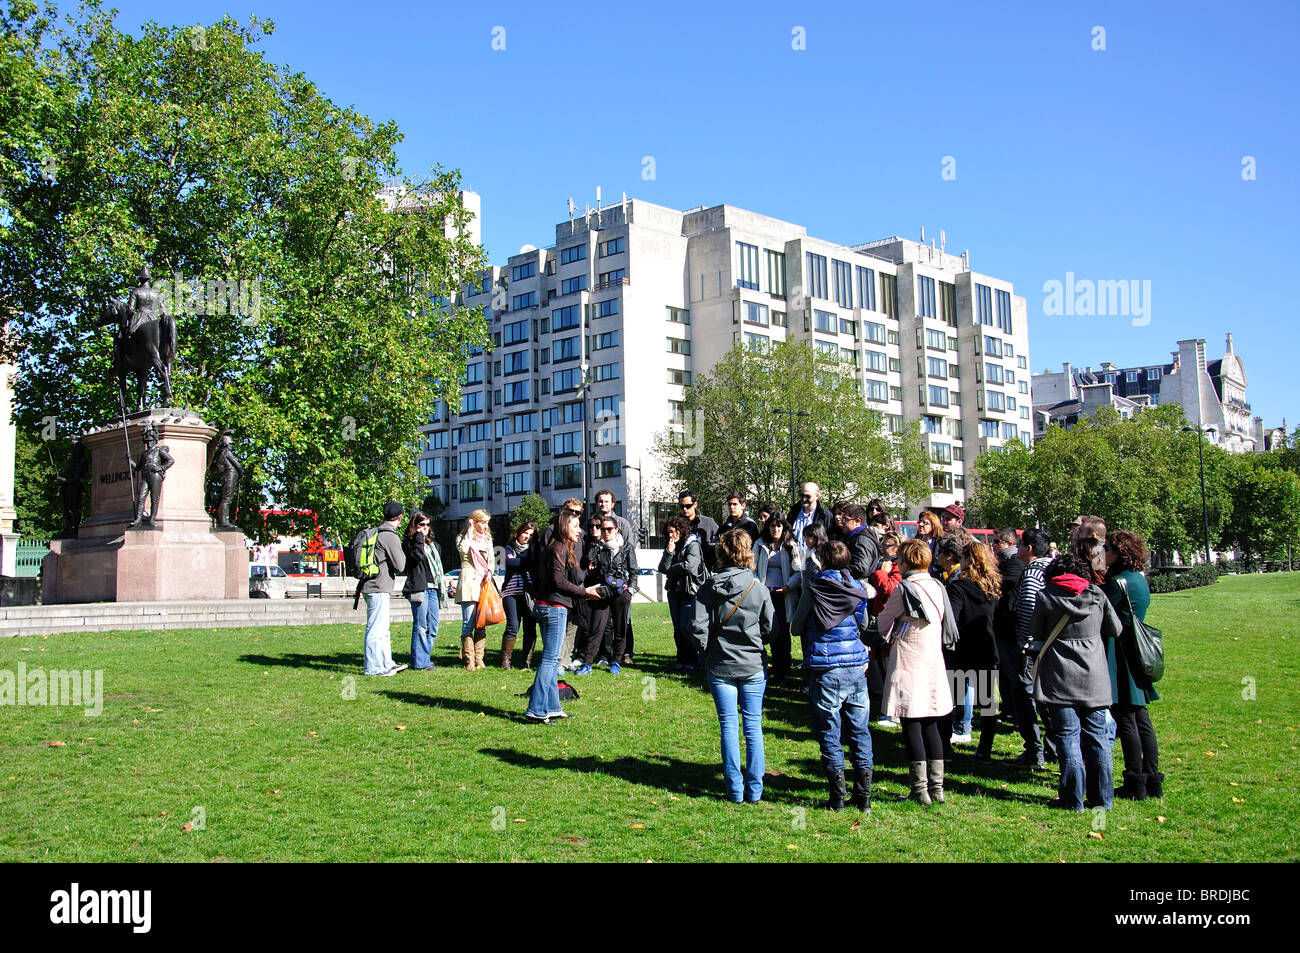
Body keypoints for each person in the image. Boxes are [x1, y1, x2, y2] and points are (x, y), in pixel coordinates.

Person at [1029, 553, 1121, 811]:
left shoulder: (1046, 595)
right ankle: (1103, 799)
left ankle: (1072, 799)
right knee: (1098, 738)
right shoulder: (1097, 595)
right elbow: (1116, 629)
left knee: (1067, 738)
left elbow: (1035, 632)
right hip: (1094, 676)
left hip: (1059, 676)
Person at [691, 529, 774, 803]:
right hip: (752, 664)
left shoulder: (709, 588)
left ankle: (735, 789)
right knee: (753, 726)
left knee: (728, 726)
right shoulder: (758, 588)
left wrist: (707, 649)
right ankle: (754, 789)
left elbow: (696, 625)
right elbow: (769, 627)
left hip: (720, 664)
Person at [877, 539, 955, 805]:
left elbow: (884, 622)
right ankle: (937, 787)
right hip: (933, 657)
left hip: (909, 659)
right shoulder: (938, 586)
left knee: (911, 721)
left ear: (907, 560)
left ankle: (919, 789)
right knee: (932, 722)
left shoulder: (905, 589)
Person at [803, 540, 873, 812]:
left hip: (826, 665)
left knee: (829, 732)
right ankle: (864, 798)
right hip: (855, 665)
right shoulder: (857, 588)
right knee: (859, 730)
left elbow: (797, 624)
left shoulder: (815, 588)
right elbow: (864, 623)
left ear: (822, 560)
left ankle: (838, 797)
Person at [525, 511, 603, 724]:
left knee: (552, 659)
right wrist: (584, 592)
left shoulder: (563, 549)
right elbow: (559, 582)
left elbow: (576, 577)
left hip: (550, 606)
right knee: (550, 660)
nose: (580, 530)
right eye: (576, 526)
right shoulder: (557, 549)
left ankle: (552, 707)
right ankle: (535, 710)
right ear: (564, 527)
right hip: (552, 607)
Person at [1103, 530, 1162, 800]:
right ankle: (1151, 778)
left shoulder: (1117, 583)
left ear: (1119, 552)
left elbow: (1104, 615)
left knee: (1126, 717)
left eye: (1108, 549)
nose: (1104, 553)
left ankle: (1135, 781)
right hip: (1137, 651)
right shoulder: (1139, 579)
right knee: (1141, 718)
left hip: (1121, 652)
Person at [940, 538, 1001, 759]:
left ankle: (945, 747)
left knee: (953, 699)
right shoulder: (993, 584)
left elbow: (952, 619)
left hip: (962, 648)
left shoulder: (959, 586)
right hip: (986, 645)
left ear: (967, 559)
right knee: (987, 704)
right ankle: (985, 749)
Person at [1008, 527, 1054, 768]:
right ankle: (1053, 746)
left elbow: (1028, 605)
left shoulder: (1033, 572)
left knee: (1026, 696)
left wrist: (1024, 640)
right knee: (1047, 698)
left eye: (1020, 545)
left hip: (1032, 646)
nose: (1017, 549)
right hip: (1051, 645)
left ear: (1030, 549)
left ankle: (1034, 751)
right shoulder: (1053, 567)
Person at [574, 516, 638, 675]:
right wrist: (598, 545)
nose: (606, 532)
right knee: (596, 627)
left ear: (616, 530)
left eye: (610, 529)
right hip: (602, 592)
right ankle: (587, 663)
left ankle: (616, 661)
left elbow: (633, 571)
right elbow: (587, 559)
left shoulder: (626, 547)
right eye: (603, 529)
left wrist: (630, 590)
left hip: (621, 593)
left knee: (620, 628)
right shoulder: (598, 546)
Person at [361, 501, 408, 676]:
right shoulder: (389, 536)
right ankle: (373, 667)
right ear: (400, 517)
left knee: (382, 627)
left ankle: (386, 663)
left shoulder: (376, 532)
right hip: (378, 585)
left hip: (371, 584)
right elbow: (400, 564)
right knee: (376, 627)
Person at [659, 515, 707, 670]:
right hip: (674, 591)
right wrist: (669, 552)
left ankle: (693, 660)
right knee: (677, 628)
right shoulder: (671, 547)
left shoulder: (692, 544)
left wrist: (671, 569)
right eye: (669, 533)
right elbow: (662, 567)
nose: (671, 535)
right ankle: (681, 658)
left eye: (673, 532)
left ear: (681, 531)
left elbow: (690, 566)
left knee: (686, 627)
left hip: (689, 591)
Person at [754, 515, 798, 684]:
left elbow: (798, 570)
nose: (776, 529)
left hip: (784, 594)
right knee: (770, 630)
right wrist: (759, 586)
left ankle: (784, 669)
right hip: (766, 594)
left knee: (783, 633)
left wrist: (789, 585)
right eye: (773, 526)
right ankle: (773, 667)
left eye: (779, 526)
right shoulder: (760, 544)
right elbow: (753, 567)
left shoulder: (790, 545)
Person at [990, 527, 1025, 742]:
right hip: (1000, 625)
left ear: (1010, 543)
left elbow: (999, 585)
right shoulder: (1003, 564)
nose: (994, 545)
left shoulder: (1014, 564)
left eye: (997, 542)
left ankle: (1016, 710)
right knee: (1001, 671)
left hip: (1010, 625)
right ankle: (1007, 707)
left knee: (1011, 671)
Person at [867, 532, 903, 727]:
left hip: (891, 625)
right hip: (880, 621)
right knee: (880, 666)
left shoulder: (897, 568)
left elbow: (890, 589)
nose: (883, 548)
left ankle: (894, 713)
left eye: (887, 545)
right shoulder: (884, 564)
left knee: (892, 669)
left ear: (896, 548)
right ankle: (885, 708)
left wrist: (881, 572)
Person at [401, 510, 444, 670]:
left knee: (433, 626)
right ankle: (419, 662)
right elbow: (417, 556)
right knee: (421, 625)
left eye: (427, 524)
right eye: (421, 524)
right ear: (415, 525)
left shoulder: (433, 545)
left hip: (433, 588)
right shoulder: (410, 543)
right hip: (419, 587)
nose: (425, 527)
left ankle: (424, 657)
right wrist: (418, 537)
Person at [456, 509, 496, 671]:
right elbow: (463, 550)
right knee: (468, 624)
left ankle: (479, 659)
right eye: (482, 522)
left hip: (482, 583)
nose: (485, 526)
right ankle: (469, 661)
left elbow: (492, 560)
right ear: (474, 521)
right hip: (468, 583)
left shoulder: (487, 540)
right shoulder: (463, 537)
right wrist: (470, 530)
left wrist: (490, 572)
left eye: (487, 523)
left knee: (481, 624)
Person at [501, 522, 538, 670]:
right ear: (518, 533)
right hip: (511, 592)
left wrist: (522, 562)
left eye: (530, 535)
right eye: (525, 533)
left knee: (530, 627)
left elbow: (533, 564)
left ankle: (526, 662)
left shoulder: (534, 550)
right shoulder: (509, 547)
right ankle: (505, 661)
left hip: (530, 593)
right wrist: (527, 562)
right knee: (513, 626)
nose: (527, 537)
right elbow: (510, 563)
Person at [787, 482, 834, 556]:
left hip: (816, 561)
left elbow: (830, 541)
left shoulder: (825, 516)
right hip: (793, 561)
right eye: (802, 495)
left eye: (808, 496)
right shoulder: (793, 512)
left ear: (817, 496)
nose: (804, 499)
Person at [840, 503, 881, 582]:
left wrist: (839, 572)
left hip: (861, 586)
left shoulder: (861, 540)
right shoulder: (856, 537)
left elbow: (861, 568)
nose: (842, 522)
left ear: (857, 521)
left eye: (845, 519)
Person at [678, 490, 719, 565]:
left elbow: (719, 545)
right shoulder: (676, 525)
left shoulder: (709, 523)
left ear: (695, 504)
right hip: (682, 569)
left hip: (705, 568)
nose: (684, 509)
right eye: (682, 506)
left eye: (688, 506)